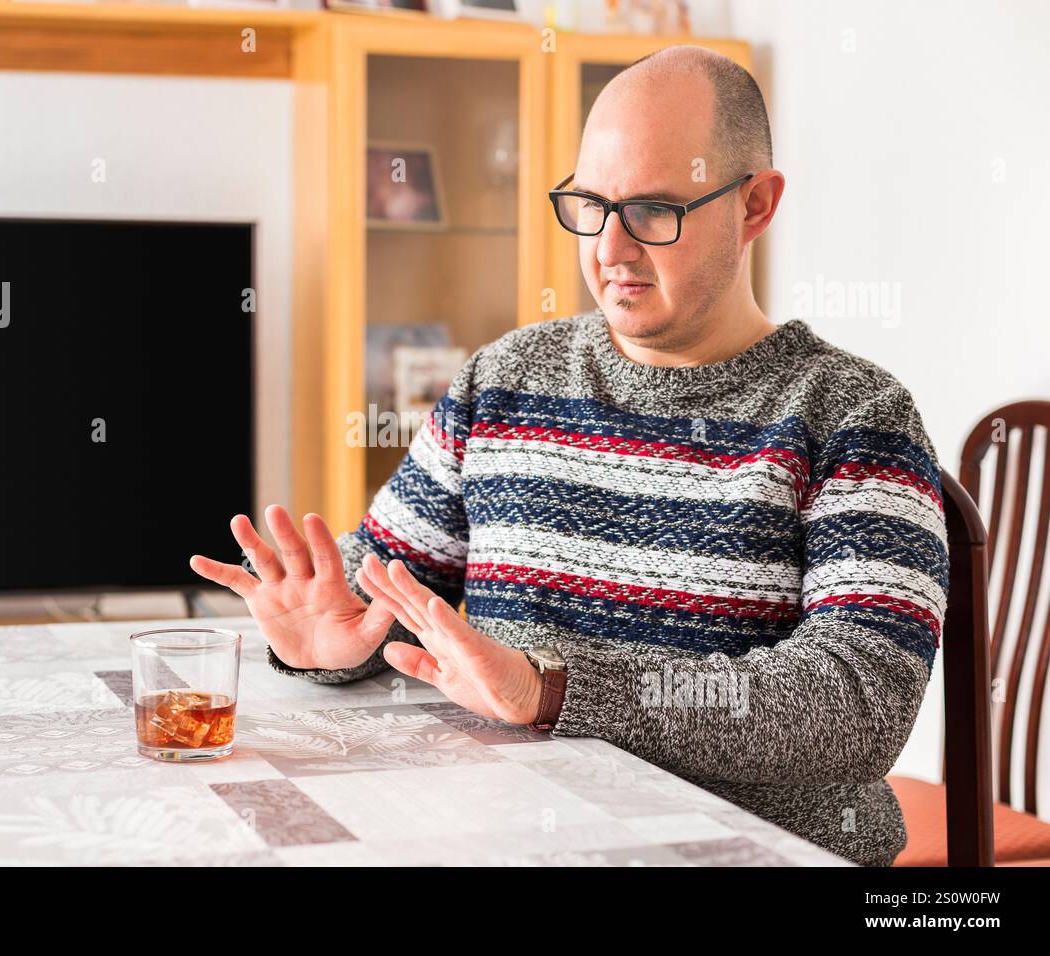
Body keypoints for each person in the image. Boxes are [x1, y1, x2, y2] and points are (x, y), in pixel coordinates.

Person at [190, 44, 948, 868]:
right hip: (496, 833)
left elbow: (856, 705)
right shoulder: (504, 378)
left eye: (655, 210)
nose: (609, 251)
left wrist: (555, 689)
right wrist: (333, 639)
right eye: (591, 203)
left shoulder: (856, 415)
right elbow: (390, 585)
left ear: (756, 205)